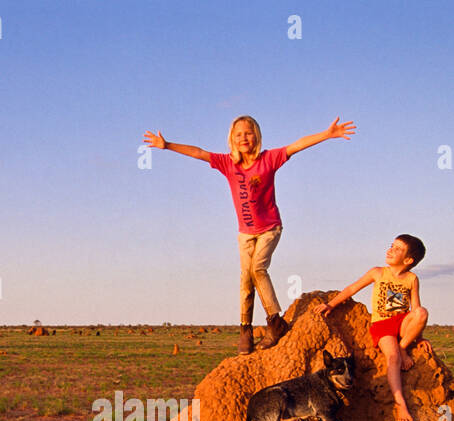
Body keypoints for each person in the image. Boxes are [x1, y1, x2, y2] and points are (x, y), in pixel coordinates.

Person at [143, 115, 355, 354]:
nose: (244, 137)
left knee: (258, 269)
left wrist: (327, 134)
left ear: (257, 136)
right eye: (239, 134)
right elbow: (199, 153)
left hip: (270, 228)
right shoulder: (227, 164)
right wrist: (167, 145)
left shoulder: (269, 159)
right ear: (232, 140)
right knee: (245, 280)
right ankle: (245, 330)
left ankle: (275, 323)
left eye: (248, 132)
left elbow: (297, 145)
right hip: (245, 234)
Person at [317, 235, 430, 421]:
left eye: (397, 249)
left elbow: (415, 307)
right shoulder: (377, 272)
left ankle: (403, 346)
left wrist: (419, 338)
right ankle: (400, 403)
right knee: (393, 358)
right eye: (391, 246)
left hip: (401, 322)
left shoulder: (412, 279)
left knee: (421, 313)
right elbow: (352, 289)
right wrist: (331, 304)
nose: (390, 250)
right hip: (382, 325)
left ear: (408, 260)